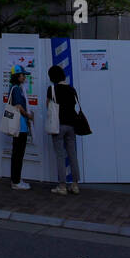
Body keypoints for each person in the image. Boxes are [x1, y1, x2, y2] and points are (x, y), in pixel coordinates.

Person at [46, 65, 81, 195]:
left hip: (58, 125)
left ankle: (62, 186)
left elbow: (48, 105)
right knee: (72, 154)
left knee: (60, 155)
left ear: (52, 77)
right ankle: (75, 184)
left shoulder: (52, 89)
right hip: (72, 126)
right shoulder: (72, 89)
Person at [7, 65, 34, 189]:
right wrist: (28, 115)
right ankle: (16, 182)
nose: (25, 77)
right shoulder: (17, 89)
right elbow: (18, 106)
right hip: (20, 126)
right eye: (23, 75)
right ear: (17, 76)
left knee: (16, 154)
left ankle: (15, 179)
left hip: (18, 126)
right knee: (18, 154)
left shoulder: (14, 88)